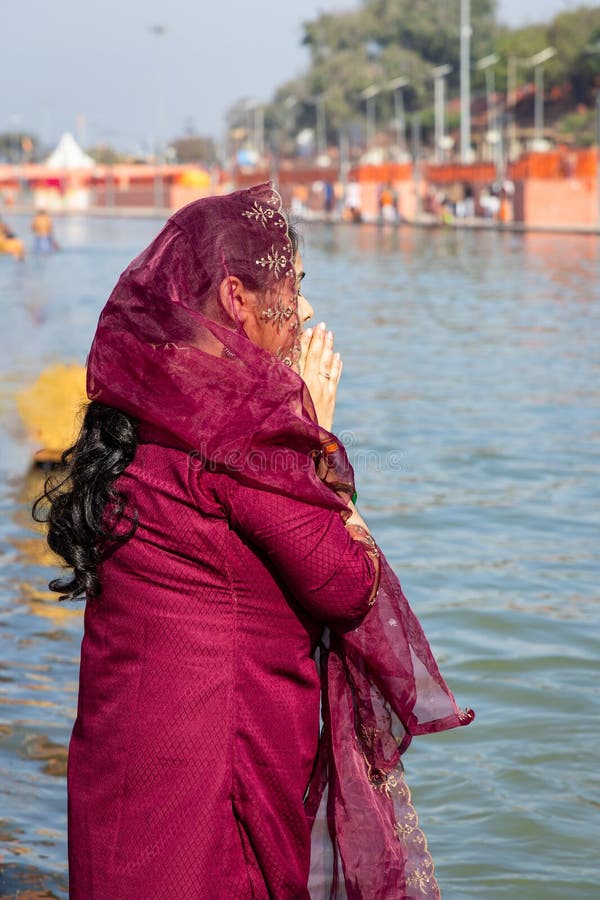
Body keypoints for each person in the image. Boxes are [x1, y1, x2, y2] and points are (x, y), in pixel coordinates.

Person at [35, 183, 473, 899]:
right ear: (238, 299)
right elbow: (347, 585)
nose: (302, 310)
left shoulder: (151, 400)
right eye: (293, 287)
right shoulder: (248, 435)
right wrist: (316, 441)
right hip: (208, 772)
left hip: (126, 760)